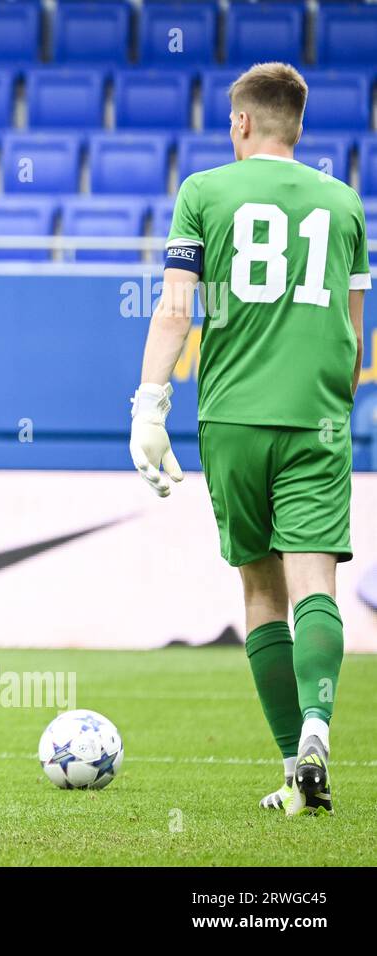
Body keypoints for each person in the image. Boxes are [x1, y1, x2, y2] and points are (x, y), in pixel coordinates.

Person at [130, 62, 369, 817]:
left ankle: (289, 769)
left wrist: (149, 403)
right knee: (315, 586)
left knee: (262, 593)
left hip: (232, 417)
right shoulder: (345, 202)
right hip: (318, 416)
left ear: (240, 124)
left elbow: (175, 311)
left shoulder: (204, 192)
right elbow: (356, 338)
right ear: (297, 127)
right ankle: (317, 730)